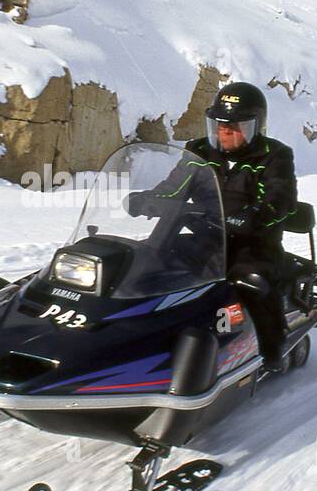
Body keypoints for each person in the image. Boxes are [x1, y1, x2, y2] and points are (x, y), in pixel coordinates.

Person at [126, 82, 298, 372]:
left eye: (234, 126)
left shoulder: (274, 155)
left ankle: (272, 347)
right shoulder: (201, 151)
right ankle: (141, 337)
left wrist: (254, 216)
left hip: (253, 244)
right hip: (206, 237)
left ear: (255, 126)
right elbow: (174, 186)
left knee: (252, 281)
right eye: (219, 125)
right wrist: (148, 199)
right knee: (149, 265)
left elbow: (280, 198)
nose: (225, 132)